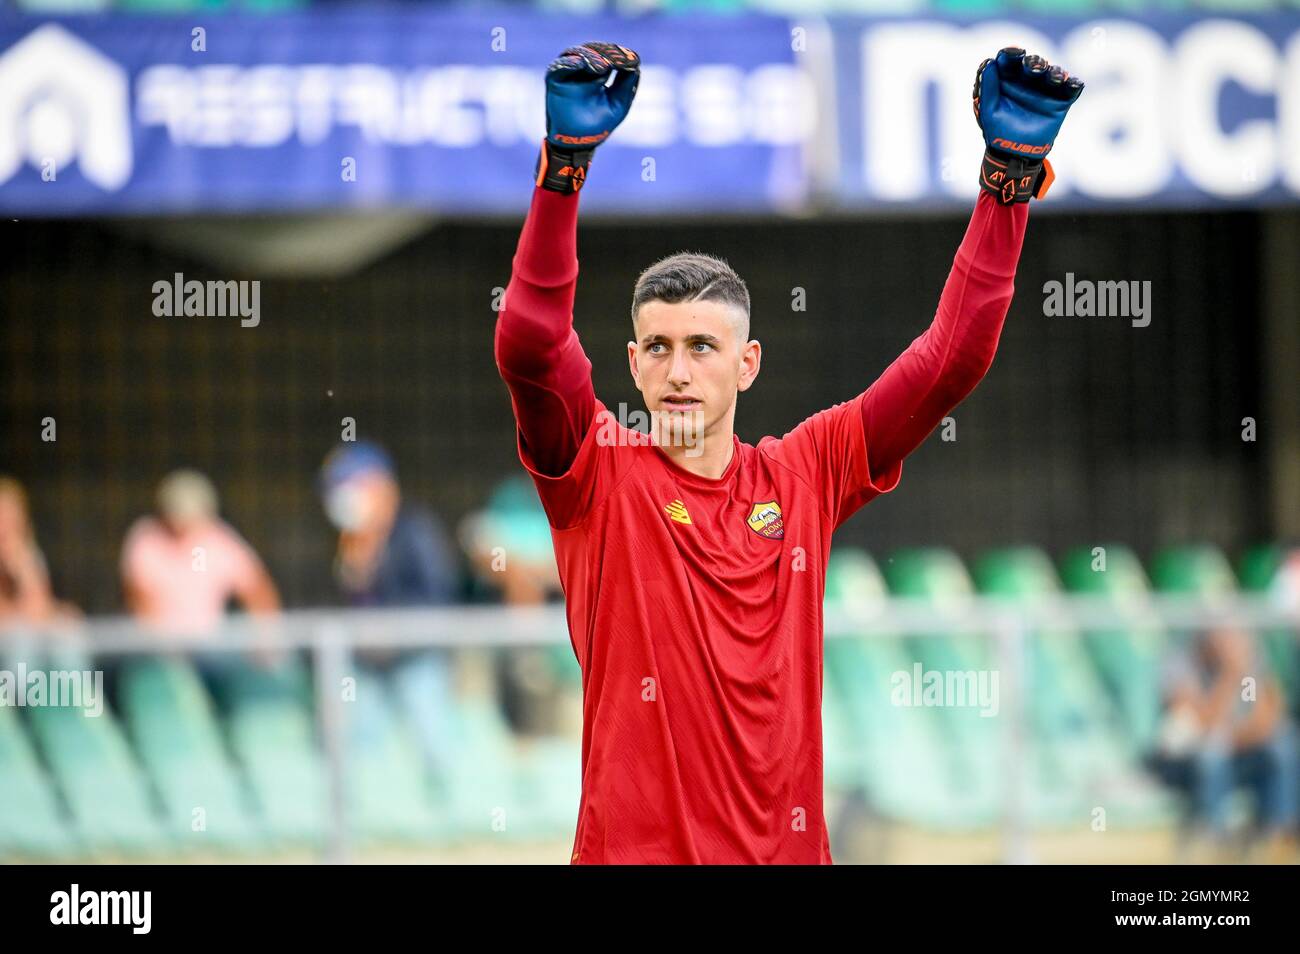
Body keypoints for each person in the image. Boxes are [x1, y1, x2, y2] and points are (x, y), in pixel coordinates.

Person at [494, 43, 1084, 863]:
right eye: (657, 348)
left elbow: (951, 359)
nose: (678, 370)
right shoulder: (596, 475)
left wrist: (1009, 184)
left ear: (749, 363)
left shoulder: (805, 471)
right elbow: (530, 343)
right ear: (631, 365)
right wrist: (562, 172)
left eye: (704, 346)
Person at [318, 442, 461, 779]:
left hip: (416, 658)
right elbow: (348, 598)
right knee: (359, 748)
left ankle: (446, 821)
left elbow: (438, 594)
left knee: (433, 746)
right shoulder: (350, 538)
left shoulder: (415, 530)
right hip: (368, 663)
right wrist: (359, 558)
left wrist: (393, 630)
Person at [120, 469, 283, 703]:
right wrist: (166, 650)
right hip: (159, 656)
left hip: (211, 653)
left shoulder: (218, 538)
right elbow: (140, 601)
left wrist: (266, 640)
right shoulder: (146, 538)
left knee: (262, 679)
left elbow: (258, 591)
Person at [1150, 626, 1297, 859]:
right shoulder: (1183, 662)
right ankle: (1214, 834)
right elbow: (1204, 725)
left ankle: (1275, 828)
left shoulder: (1249, 665)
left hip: (1238, 750)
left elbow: (1268, 720)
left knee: (1282, 748)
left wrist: (1246, 676)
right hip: (1185, 764)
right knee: (1212, 755)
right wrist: (1230, 676)